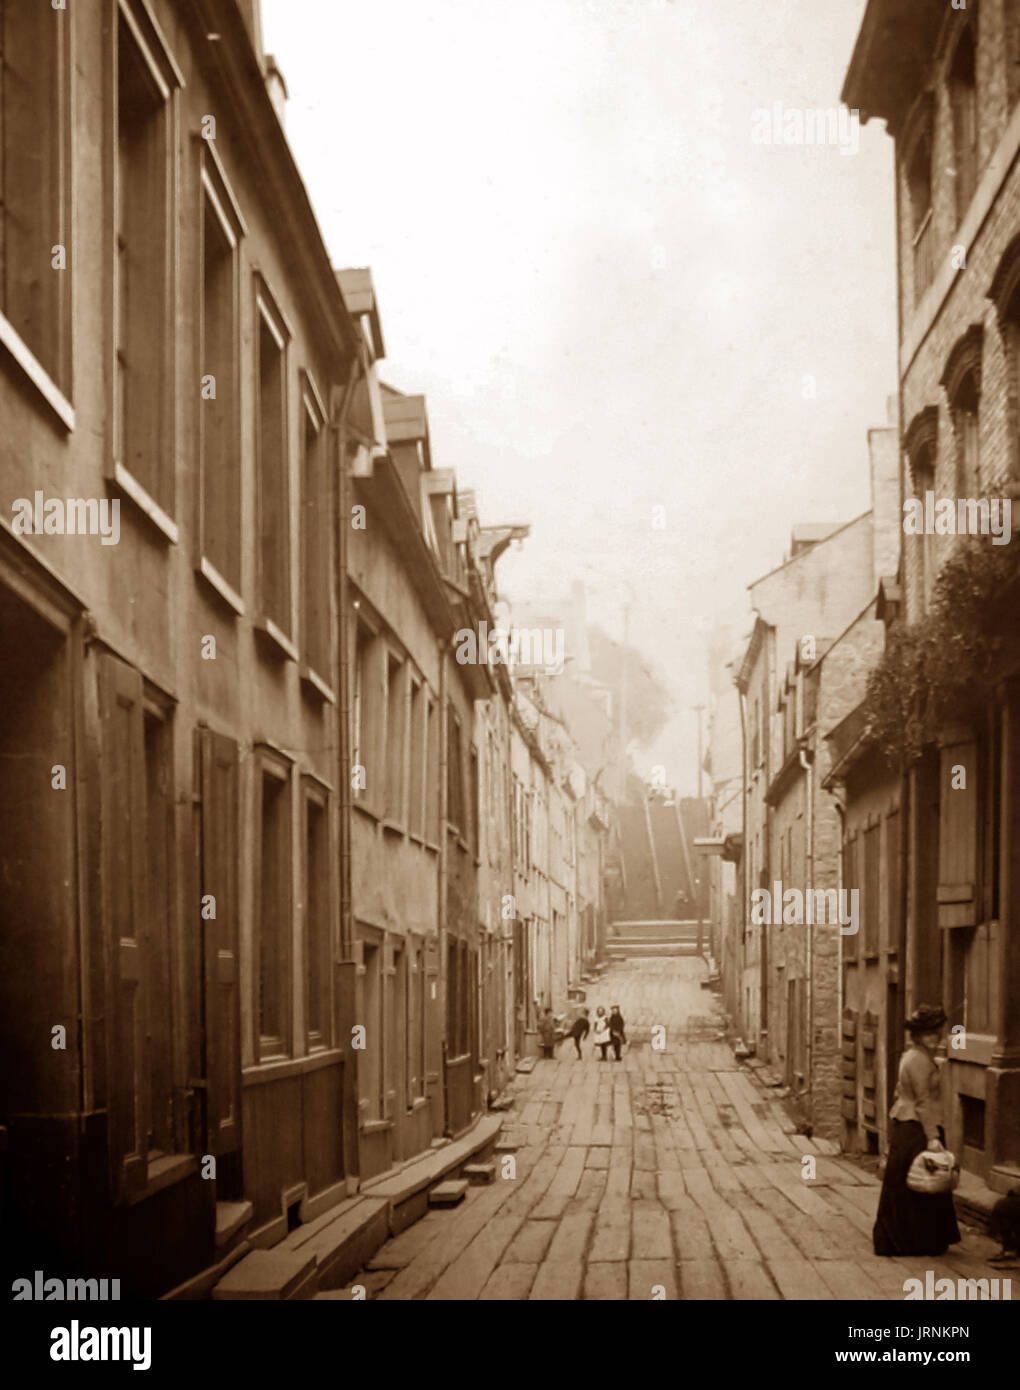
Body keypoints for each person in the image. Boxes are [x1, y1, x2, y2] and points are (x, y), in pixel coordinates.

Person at [873, 1003, 962, 1257]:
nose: (936, 1038)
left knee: (912, 1182)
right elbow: (922, 1102)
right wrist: (933, 1137)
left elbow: (901, 1093)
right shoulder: (918, 1060)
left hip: (911, 1123)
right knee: (919, 1181)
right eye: (930, 1033)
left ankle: (917, 1239)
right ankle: (912, 1241)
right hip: (917, 1128)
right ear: (918, 1035)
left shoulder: (914, 1056)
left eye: (938, 1032)